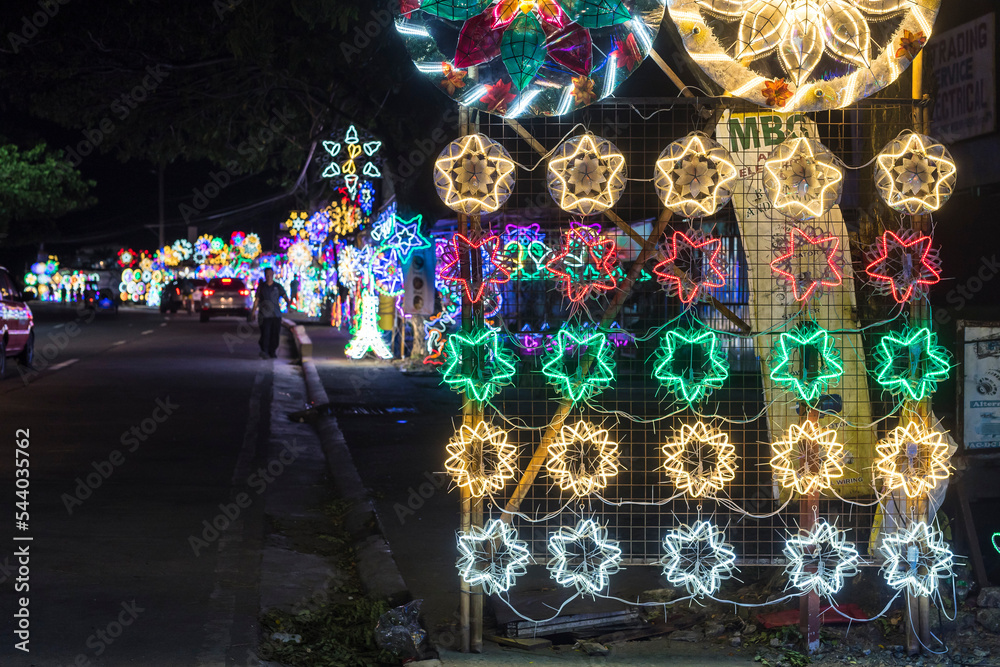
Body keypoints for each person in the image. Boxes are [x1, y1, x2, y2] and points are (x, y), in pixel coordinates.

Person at [250, 268, 288, 359]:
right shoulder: (262, 287)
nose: (268, 276)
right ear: (264, 275)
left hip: (276, 315)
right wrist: (253, 311)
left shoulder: (277, 286)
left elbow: (284, 296)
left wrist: (289, 304)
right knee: (265, 333)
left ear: (273, 275)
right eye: (266, 275)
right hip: (264, 315)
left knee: (275, 333)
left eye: (270, 274)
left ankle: (272, 351)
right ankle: (264, 351)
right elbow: (257, 299)